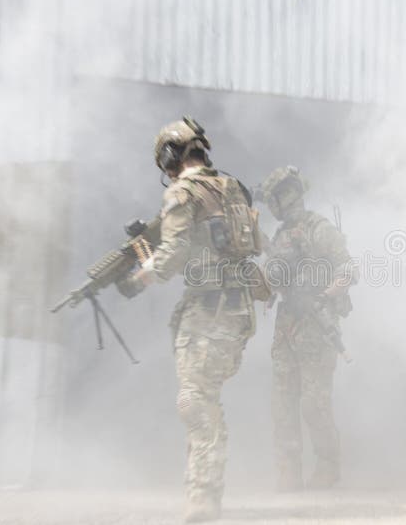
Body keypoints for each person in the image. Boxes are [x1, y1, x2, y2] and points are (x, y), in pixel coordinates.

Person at [118, 117, 265, 522]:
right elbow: (251, 243)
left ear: (170, 157)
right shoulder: (232, 187)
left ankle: (203, 499)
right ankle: (204, 491)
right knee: (203, 399)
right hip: (236, 311)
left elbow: (173, 255)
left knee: (195, 401)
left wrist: (137, 278)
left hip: (210, 311)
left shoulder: (182, 193)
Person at [255, 166, 356, 491]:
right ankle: (289, 474)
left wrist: (325, 296)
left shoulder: (320, 229)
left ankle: (328, 466)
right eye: (276, 199)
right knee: (282, 404)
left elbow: (348, 270)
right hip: (288, 326)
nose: (280, 204)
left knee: (314, 404)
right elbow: (272, 278)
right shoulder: (281, 236)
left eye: (281, 197)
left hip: (315, 324)